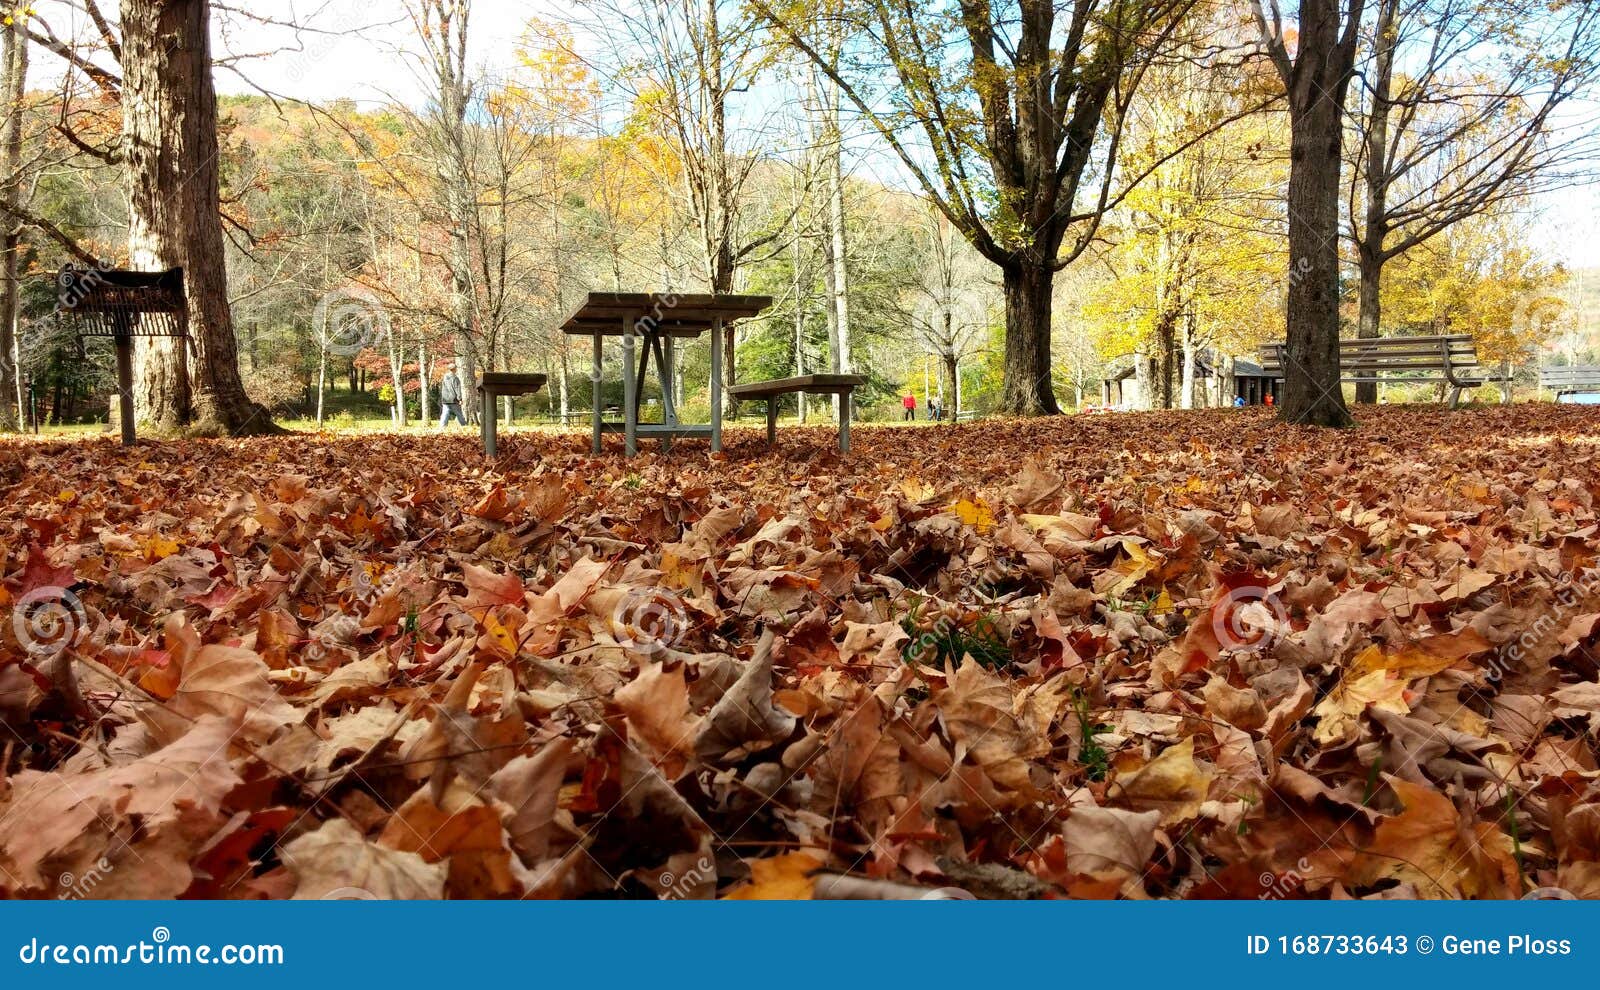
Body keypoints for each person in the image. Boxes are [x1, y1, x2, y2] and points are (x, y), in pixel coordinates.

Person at [438, 360, 468, 428]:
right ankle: (464, 425)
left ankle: (442, 426)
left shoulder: (445, 377)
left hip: (445, 399)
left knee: (445, 413)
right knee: (459, 413)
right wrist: (460, 398)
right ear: (454, 369)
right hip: (453, 399)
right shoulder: (455, 378)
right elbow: (457, 389)